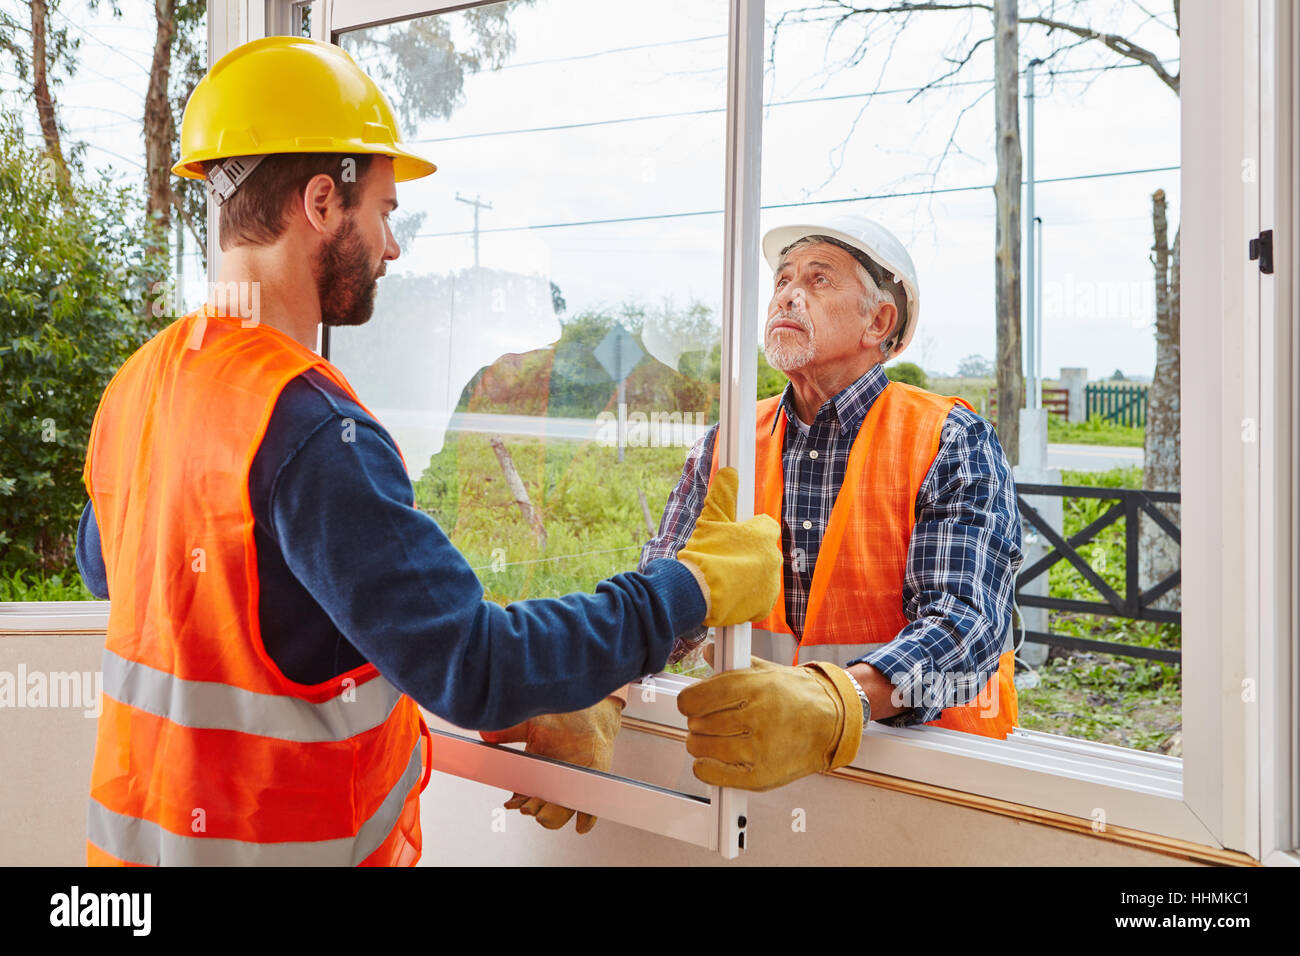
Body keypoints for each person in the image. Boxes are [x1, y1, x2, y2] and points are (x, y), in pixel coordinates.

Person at [74, 36, 781, 866]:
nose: (393, 247)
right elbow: (473, 663)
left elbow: (122, 572)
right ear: (320, 203)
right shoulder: (307, 425)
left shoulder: (144, 382)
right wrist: (687, 590)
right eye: (384, 212)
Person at [485, 215, 1023, 826]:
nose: (789, 293)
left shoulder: (950, 440)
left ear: (879, 323)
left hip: (927, 787)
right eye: (782, 280)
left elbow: (967, 625)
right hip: (757, 781)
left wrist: (838, 700)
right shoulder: (731, 442)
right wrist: (602, 687)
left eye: (820, 280)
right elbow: (671, 591)